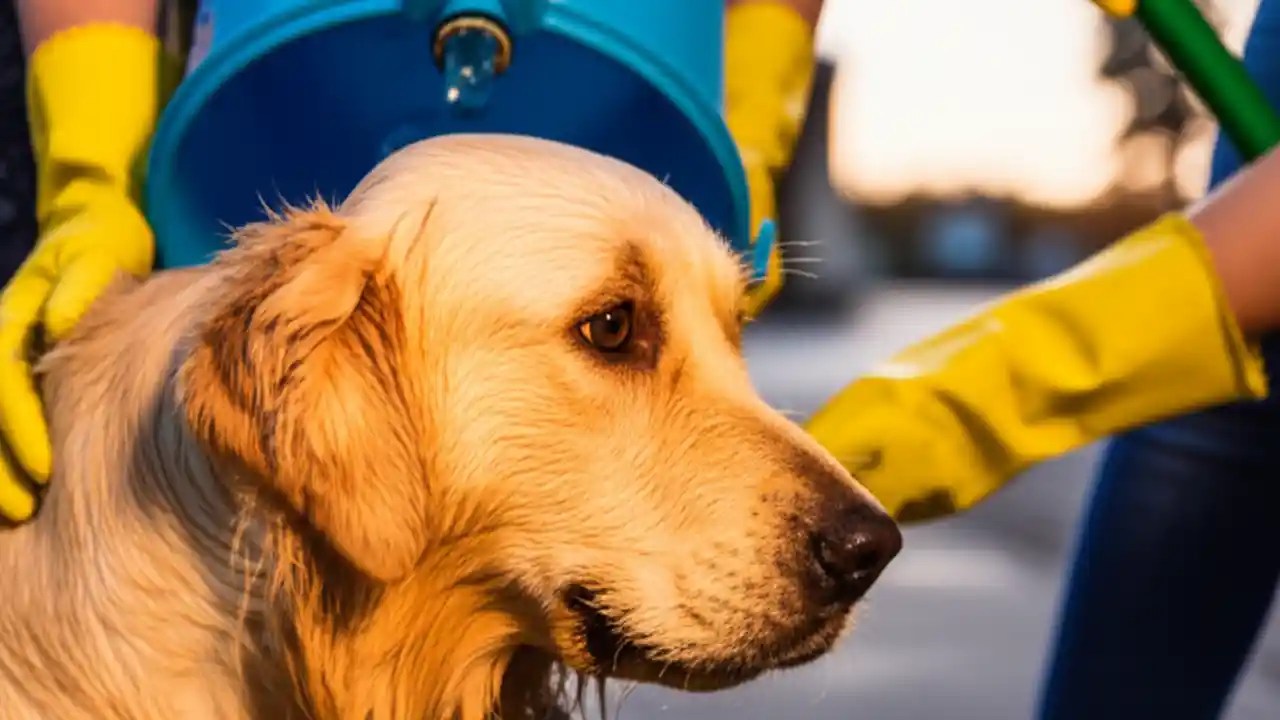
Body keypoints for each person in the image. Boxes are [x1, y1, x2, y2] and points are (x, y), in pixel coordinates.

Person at [0, 0, 826, 522]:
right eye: (612, 329)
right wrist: (92, 171)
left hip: (624, 66)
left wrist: (747, 114)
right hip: (193, 69)